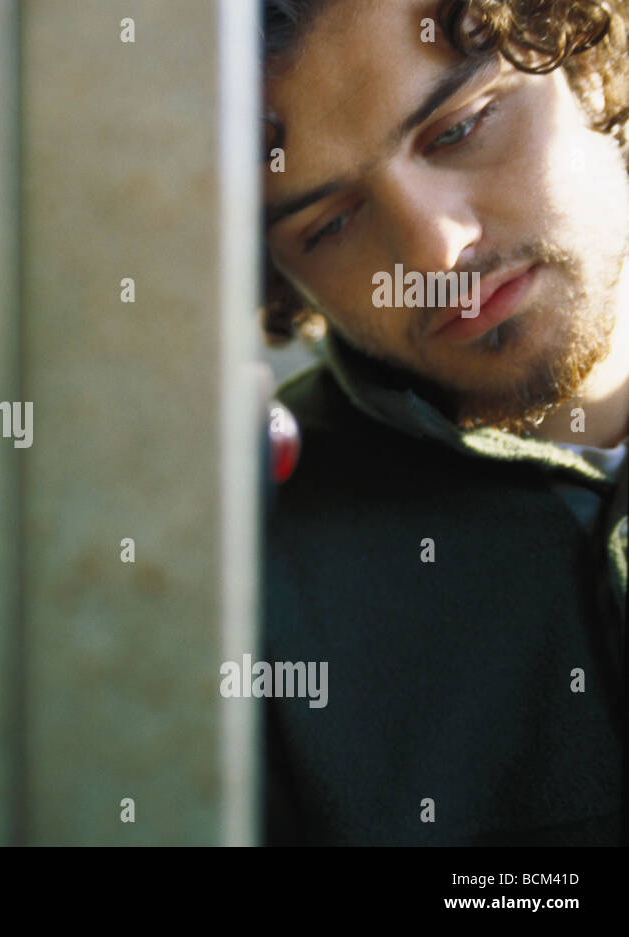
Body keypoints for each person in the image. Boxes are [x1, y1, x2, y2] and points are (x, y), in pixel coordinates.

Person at [259, 0, 628, 844]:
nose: (434, 253)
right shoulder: (240, 579)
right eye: (330, 224)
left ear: (579, 53)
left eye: (459, 129)